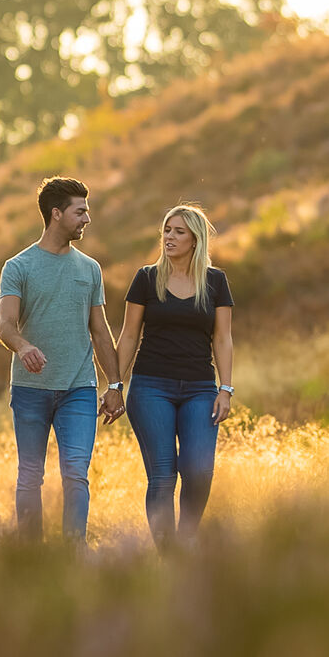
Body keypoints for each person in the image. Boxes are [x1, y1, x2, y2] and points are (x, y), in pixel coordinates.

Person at [0, 176, 123, 539]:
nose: (87, 218)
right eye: (79, 211)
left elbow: (100, 331)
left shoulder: (90, 269)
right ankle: (33, 558)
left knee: (76, 474)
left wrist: (114, 384)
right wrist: (23, 346)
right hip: (30, 389)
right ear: (56, 214)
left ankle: (73, 555)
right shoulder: (18, 267)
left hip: (79, 388)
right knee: (31, 475)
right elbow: (4, 324)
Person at [115, 203, 234, 544]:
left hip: (200, 388)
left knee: (198, 471)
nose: (169, 237)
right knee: (163, 477)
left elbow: (223, 338)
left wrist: (225, 388)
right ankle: (169, 556)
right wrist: (114, 385)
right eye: (167, 230)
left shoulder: (216, 281)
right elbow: (128, 335)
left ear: (195, 240)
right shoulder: (146, 278)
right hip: (151, 386)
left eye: (178, 231)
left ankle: (186, 540)